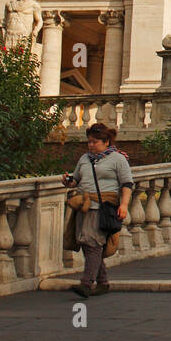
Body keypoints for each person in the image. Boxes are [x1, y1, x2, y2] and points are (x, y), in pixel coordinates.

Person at [61, 123, 132, 298]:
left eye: (95, 142)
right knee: (87, 244)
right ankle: (102, 281)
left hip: (103, 206)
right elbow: (76, 180)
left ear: (106, 141)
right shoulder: (85, 159)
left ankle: (86, 283)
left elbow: (127, 183)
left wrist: (124, 205)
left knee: (92, 243)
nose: (90, 145)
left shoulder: (118, 159)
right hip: (84, 205)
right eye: (89, 142)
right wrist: (68, 181)